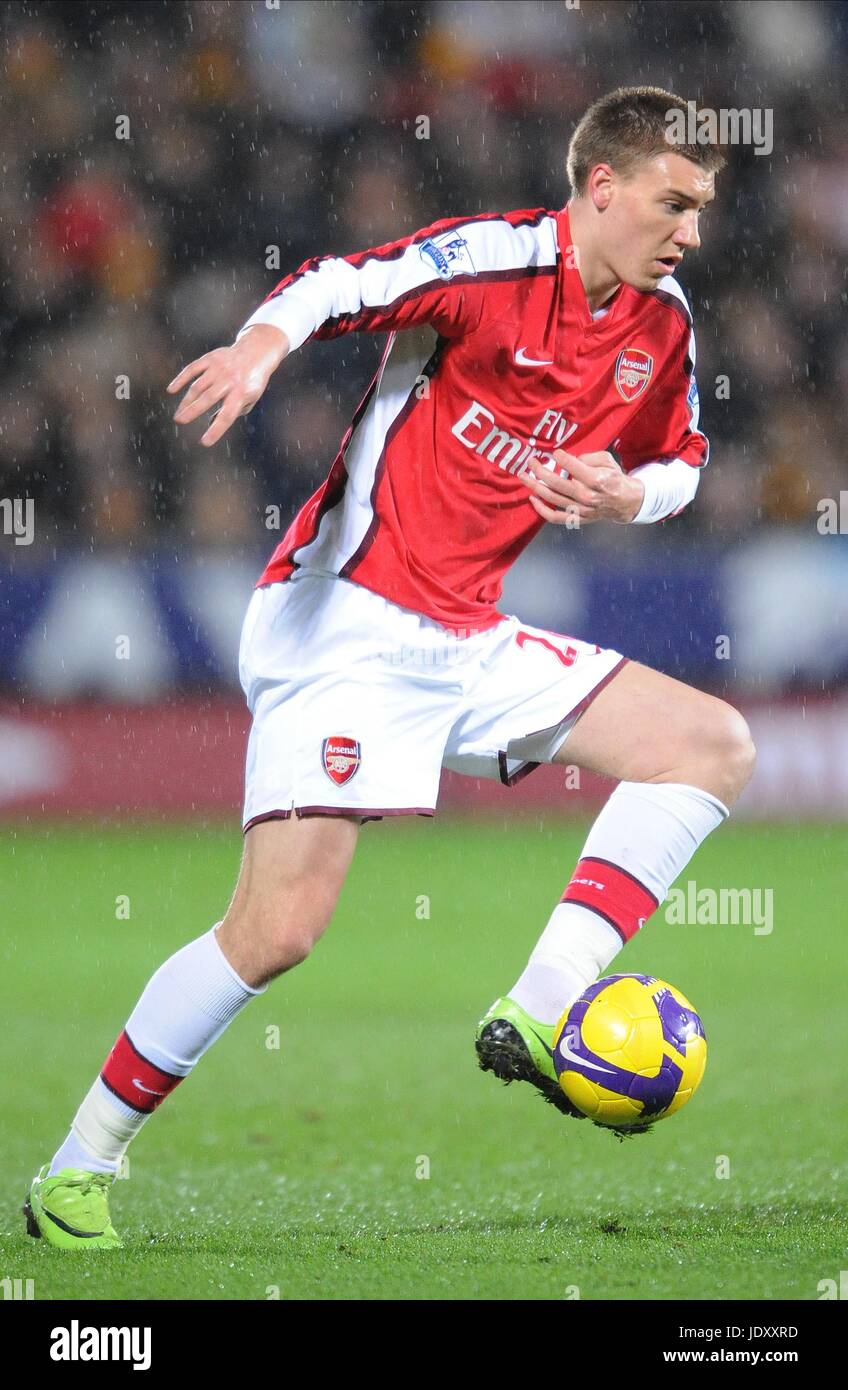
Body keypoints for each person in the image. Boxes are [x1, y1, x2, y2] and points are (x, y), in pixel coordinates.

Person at [24, 86, 754, 1249]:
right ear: (600, 186)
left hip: (468, 636)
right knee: (274, 931)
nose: (691, 230)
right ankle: (77, 1167)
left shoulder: (661, 322)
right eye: (674, 201)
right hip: (346, 626)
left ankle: (545, 1001)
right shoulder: (495, 263)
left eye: (703, 207)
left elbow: (683, 460)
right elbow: (338, 281)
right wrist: (263, 344)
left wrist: (629, 491)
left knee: (709, 745)